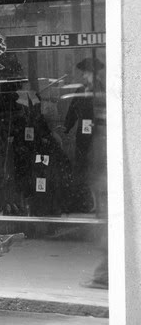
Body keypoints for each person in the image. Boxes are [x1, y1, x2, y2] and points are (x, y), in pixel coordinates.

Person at [66, 57, 108, 289]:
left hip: (94, 141)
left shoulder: (100, 91)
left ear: (94, 73)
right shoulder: (82, 91)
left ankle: (103, 275)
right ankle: (91, 201)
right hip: (84, 140)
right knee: (83, 171)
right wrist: (66, 126)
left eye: (87, 73)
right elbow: (73, 110)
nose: (84, 76)